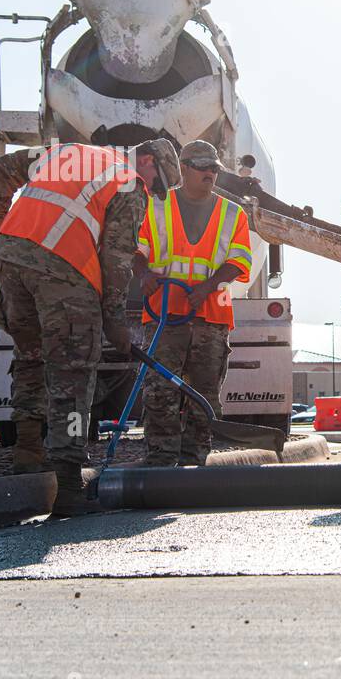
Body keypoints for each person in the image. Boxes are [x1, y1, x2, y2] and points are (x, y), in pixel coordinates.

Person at [0, 138, 178, 515]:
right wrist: (114, 319)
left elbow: (0, 174)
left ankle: (29, 451)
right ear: (146, 159)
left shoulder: (65, 151)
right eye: (158, 181)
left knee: (31, 355)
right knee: (74, 373)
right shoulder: (130, 181)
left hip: (10, 261)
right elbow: (116, 257)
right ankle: (68, 486)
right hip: (63, 270)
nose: (154, 191)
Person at [133, 140, 253, 467]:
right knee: (160, 389)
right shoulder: (155, 205)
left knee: (205, 392)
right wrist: (143, 274)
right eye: (202, 166)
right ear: (183, 168)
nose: (210, 173)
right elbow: (136, 251)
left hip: (211, 315)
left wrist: (208, 287)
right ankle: (161, 456)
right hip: (163, 316)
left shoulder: (233, 213)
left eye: (214, 167)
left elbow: (239, 262)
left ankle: (194, 457)